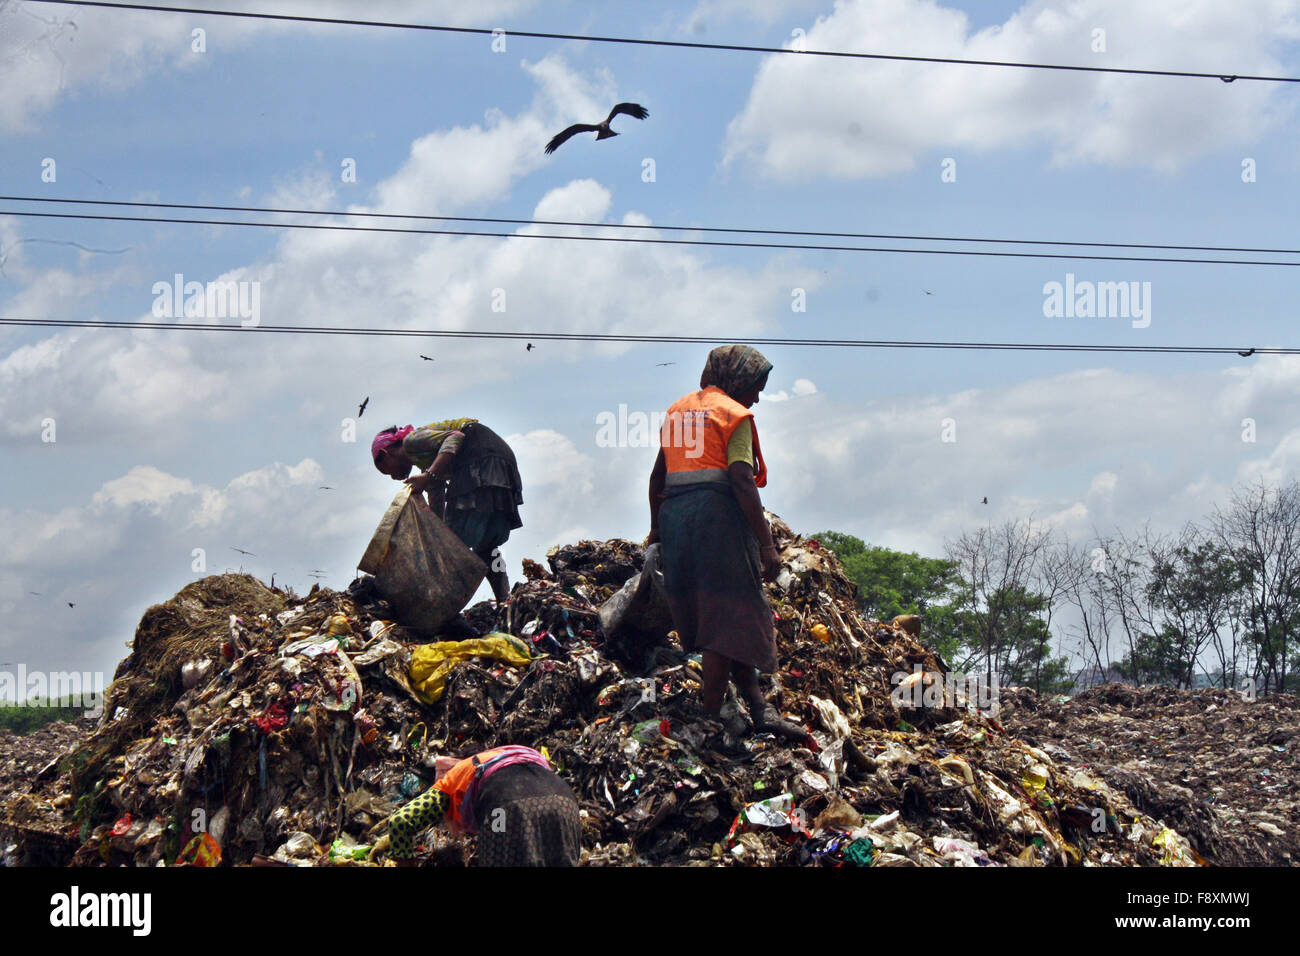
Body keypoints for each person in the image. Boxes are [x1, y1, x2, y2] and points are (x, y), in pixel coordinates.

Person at [647, 345, 800, 739]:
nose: (758, 396)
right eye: (756, 386)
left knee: (727, 616)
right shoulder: (735, 416)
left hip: (677, 521)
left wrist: (656, 532)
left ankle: (758, 708)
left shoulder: (677, 412)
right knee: (724, 621)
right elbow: (742, 481)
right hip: (718, 522)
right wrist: (768, 547)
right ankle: (710, 720)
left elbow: (656, 480)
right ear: (738, 380)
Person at [372, 419, 522, 603]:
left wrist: (428, 476)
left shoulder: (412, 442)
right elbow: (436, 494)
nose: (394, 477)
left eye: (388, 471)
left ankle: (439, 605)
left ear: (385, 454)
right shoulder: (428, 461)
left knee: (453, 544)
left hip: (480, 459)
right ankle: (505, 600)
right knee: (485, 543)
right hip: (500, 461)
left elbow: (455, 437)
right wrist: (435, 531)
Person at [386, 745, 582, 867]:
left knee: (498, 855)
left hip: (503, 809)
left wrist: (406, 862)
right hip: (564, 801)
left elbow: (400, 822)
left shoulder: (449, 782)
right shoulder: (514, 755)